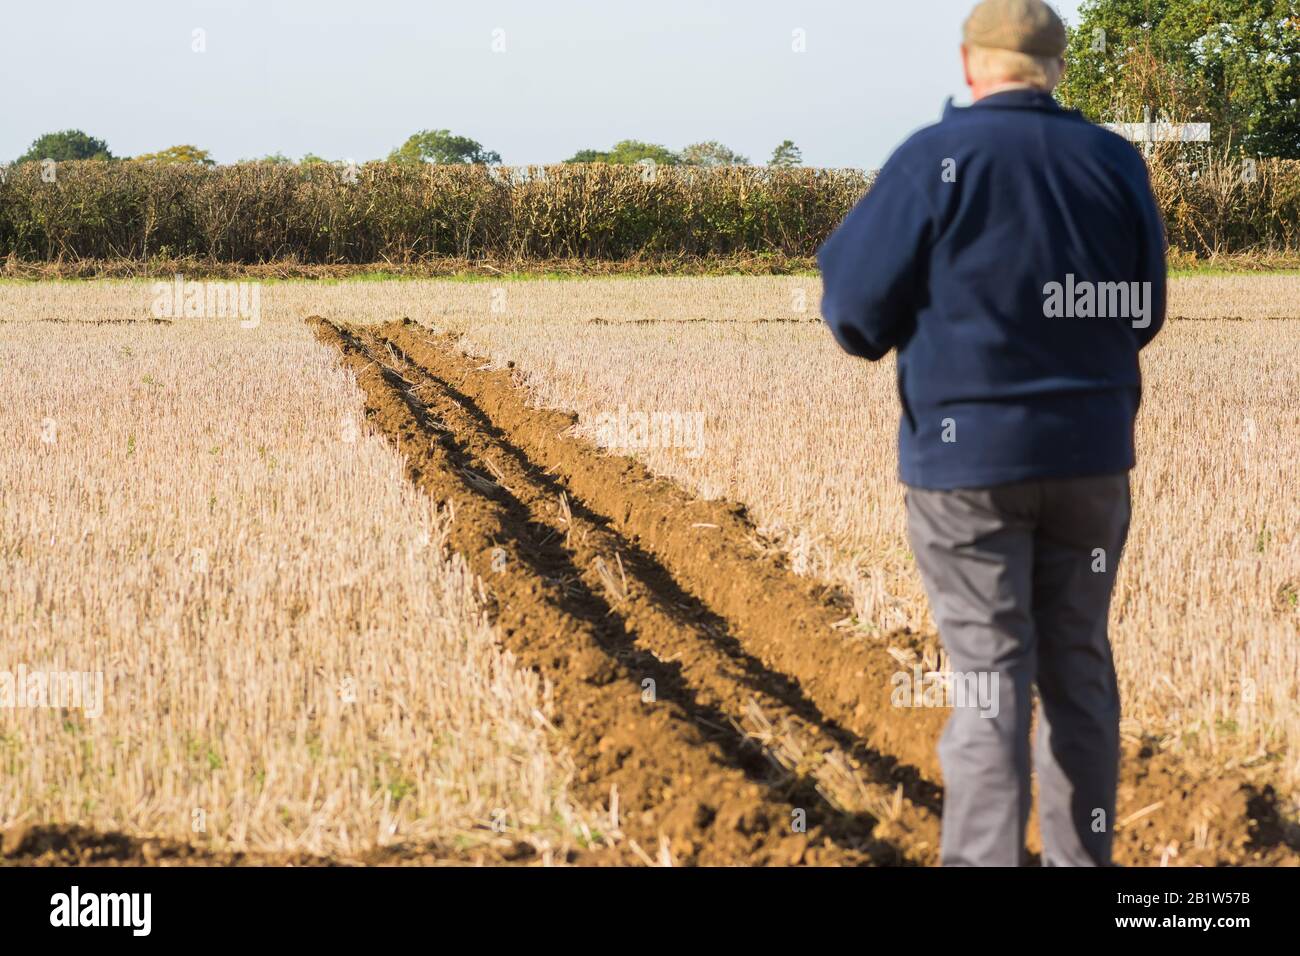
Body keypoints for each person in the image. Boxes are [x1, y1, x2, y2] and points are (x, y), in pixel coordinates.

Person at [817, 0, 1166, 866]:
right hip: (1090, 463)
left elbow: (855, 317)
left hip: (964, 466)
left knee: (988, 680)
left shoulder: (934, 158)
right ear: (1054, 69)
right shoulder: (1113, 160)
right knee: (1078, 668)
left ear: (971, 64)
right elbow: (1144, 310)